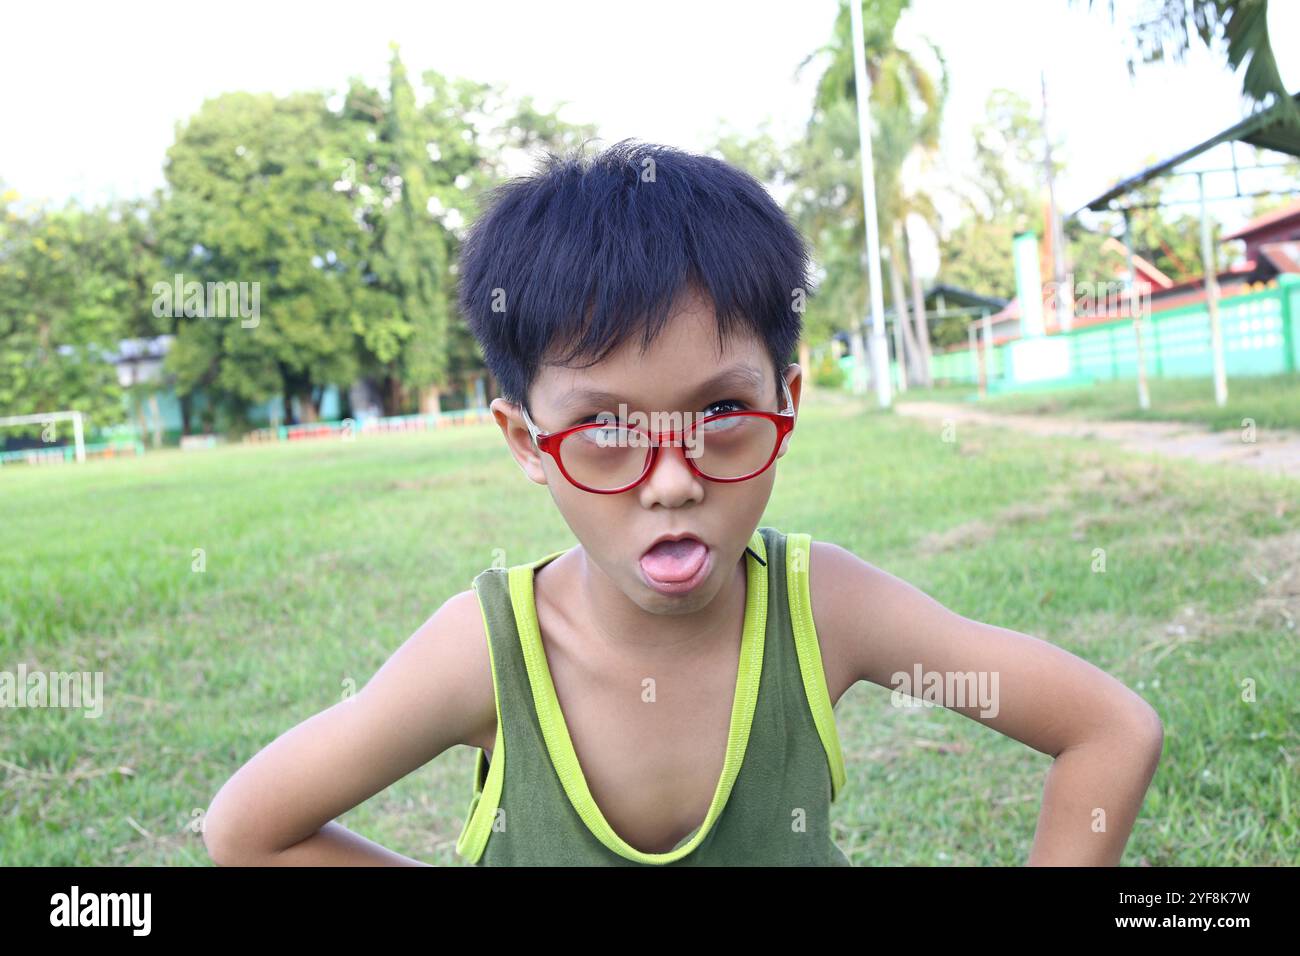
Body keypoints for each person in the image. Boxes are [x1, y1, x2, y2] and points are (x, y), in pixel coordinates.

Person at [201, 140, 1163, 867]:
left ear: (786, 404)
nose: (672, 479)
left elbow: (1108, 730)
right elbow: (250, 832)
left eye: (721, 411)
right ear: (527, 442)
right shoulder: (486, 653)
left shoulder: (825, 609)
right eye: (607, 429)